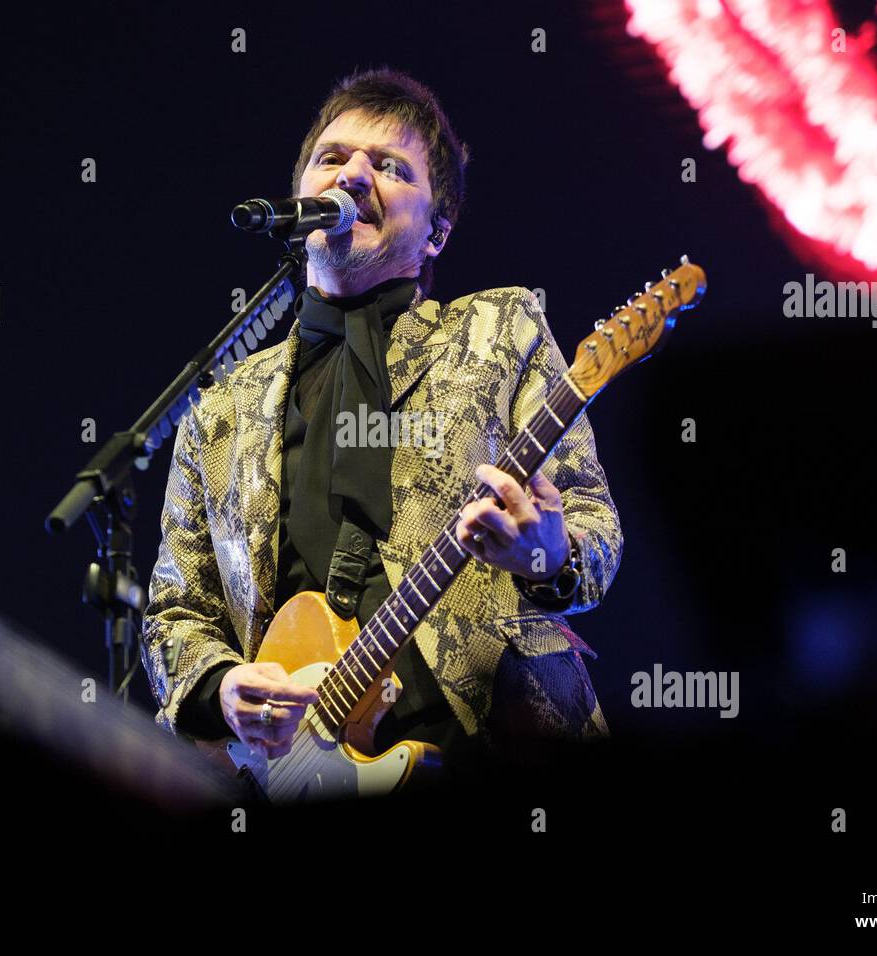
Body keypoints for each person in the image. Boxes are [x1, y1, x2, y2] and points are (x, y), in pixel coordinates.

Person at [141, 67, 622, 778]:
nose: (356, 174)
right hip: (298, 775)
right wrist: (224, 691)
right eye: (333, 158)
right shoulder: (220, 407)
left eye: (391, 166)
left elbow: (597, 533)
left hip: (494, 748)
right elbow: (174, 611)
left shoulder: (501, 328)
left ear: (438, 231)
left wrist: (546, 553)